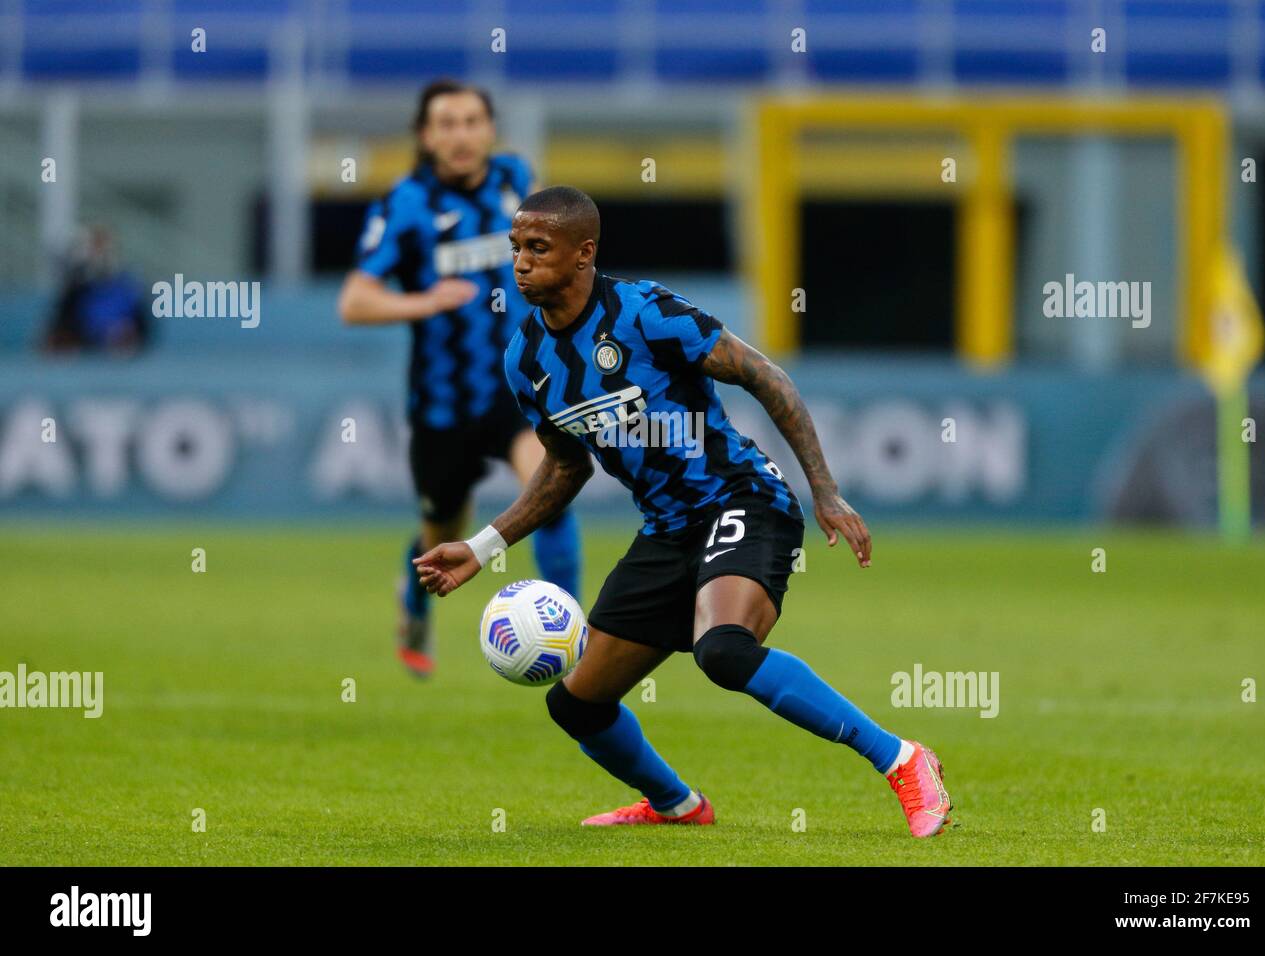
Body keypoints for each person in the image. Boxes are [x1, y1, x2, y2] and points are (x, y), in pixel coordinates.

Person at [415, 186, 952, 837]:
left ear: (584, 253)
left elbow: (764, 376)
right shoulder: (526, 361)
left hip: (743, 499)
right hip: (669, 530)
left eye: (538, 248)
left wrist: (825, 488)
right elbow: (564, 466)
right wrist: (480, 548)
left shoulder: (643, 312)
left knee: (723, 651)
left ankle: (902, 759)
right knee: (576, 704)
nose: (521, 263)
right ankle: (676, 805)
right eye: (516, 249)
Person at [338, 80, 581, 679]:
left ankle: (578, 636)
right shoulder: (407, 204)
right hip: (442, 403)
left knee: (551, 492)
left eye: (472, 121)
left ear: (490, 129)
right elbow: (355, 301)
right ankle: (414, 601)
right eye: (446, 123)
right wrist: (424, 302)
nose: (461, 134)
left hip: (517, 388)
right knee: (441, 530)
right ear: (426, 136)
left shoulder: (515, 180)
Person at [43, 226, 149, 355]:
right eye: (95, 248)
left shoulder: (126, 285)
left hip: (118, 340)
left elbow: (140, 320)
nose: (100, 254)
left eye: (103, 248)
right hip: (84, 341)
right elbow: (63, 320)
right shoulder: (77, 287)